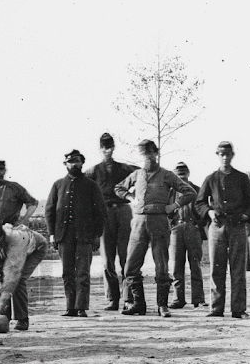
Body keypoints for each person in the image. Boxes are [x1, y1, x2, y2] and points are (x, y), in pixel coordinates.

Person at [115, 139, 197, 317]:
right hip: (138, 223)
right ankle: (138, 304)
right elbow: (119, 188)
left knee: (161, 265)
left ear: (155, 154)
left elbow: (190, 192)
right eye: (143, 155)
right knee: (130, 266)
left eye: (149, 154)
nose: (147, 158)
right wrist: (130, 198)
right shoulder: (136, 175)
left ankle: (162, 305)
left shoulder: (166, 175)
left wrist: (173, 206)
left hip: (159, 222)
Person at [195, 141, 250, 318]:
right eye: (221, 154)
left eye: (227, 154)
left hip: (237, 227)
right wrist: (209, 211)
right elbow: (199, 203)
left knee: (238, 269)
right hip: (217, 227)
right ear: (218, 155)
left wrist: (245, 217)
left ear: (232, 155)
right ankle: (216, 308)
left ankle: (238, 309)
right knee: (216, 267)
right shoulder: (211, 178)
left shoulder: (242, 178)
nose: (224, 157)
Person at [47, 150, 107, 317]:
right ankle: (70, 307)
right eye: (71, 161)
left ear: (82, 163)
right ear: (65, 164)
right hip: (64, 235)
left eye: (77, 161)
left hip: (85, 235)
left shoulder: (91, 185)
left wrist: (97, 234)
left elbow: (100, 212)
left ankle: (81, 307)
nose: (74, 164)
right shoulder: (58, 185)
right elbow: (50, 211)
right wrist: (52, 234)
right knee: (67, 272)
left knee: (82, 272)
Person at [0, 159, 39, 310]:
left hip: (10, 232)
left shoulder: (15, 188)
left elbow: (33, 203)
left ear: (5, 171)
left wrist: (23, 219)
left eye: (0, 169)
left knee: (10, 267)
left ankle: (8, 302)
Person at [87, 132, 139, 311]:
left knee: (126, 257)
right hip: (104, 213)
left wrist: (132, 194)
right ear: (100, 149)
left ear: (113, 148)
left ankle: (128, 298)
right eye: (104, 148)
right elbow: (82, 182)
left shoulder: (124, 168)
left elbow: (142, 173)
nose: (107, 151)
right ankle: (112, 298)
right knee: (107, 260)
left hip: (124, 212)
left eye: (109, 147)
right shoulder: (93, 171)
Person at [0, 219, 49, 331]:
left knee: (18, 279)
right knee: (3, 276)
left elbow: (13, 272)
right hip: (8, 251)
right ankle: (1, 317)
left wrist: (3, 300)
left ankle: (23, 319)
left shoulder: (16, 238)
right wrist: (0, 273)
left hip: (36, 249)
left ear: (1, 235)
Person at [168, 162, 205, 309]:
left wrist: (198, 225)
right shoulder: (170, 192)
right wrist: (171, 224)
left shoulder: (196, 190)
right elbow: (166, 209)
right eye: (178, 175)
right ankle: (178, 299)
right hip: (176, 228)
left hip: (192, 227)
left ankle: (198, 298)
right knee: (177, 266)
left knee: (195, 264)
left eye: (183, 175)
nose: (181, 178)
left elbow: (203, 208)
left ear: (188, 174)